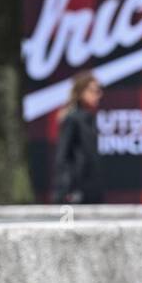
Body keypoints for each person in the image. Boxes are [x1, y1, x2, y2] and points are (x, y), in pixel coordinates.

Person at [52, 71, 104, 204]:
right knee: (69, 224)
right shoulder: (72, 119)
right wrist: (65, 190)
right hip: (74, 190)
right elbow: (62, 156)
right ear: (81, 92)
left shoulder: (89, 119)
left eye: (99, 90)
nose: (99, 95)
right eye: (94, 91)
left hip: (91, 188)